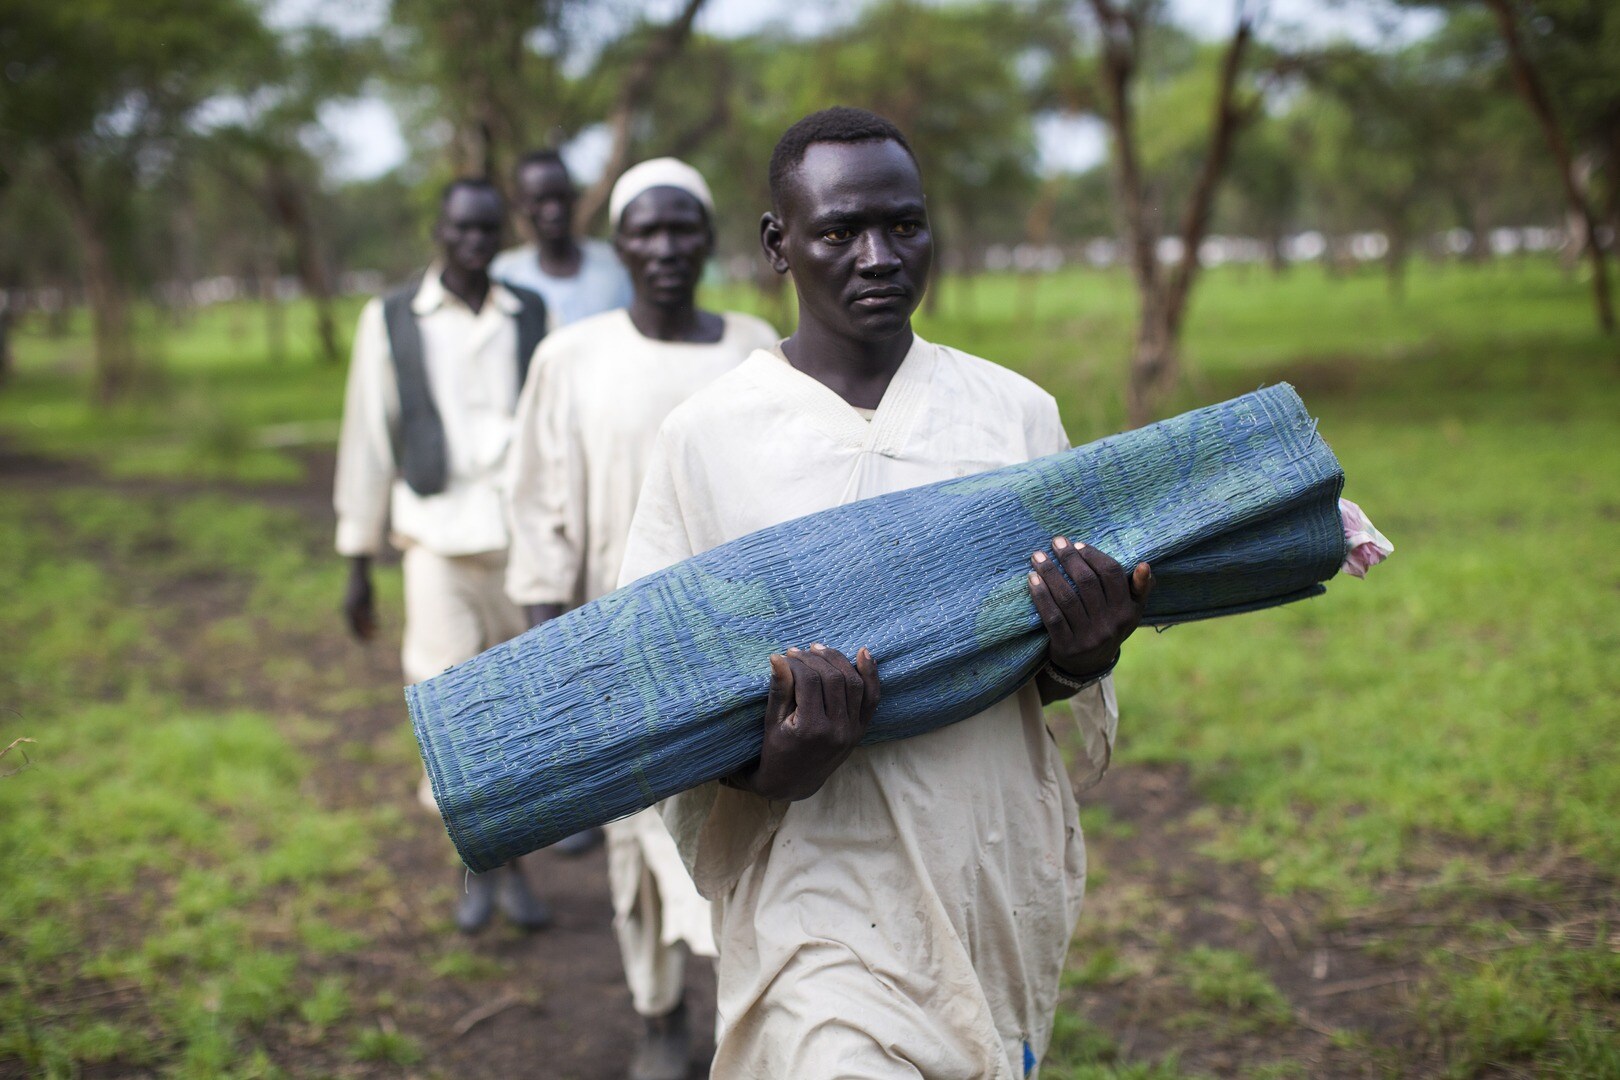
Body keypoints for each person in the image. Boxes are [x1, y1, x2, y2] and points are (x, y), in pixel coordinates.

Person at [616, 108, 1153, 1079]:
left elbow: (1054, 675)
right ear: (778, 244)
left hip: (986, 857)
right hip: (814, 869)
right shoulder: (708, 438)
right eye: (838, 232)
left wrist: (1087, 647)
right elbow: (657, 704)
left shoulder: (1011, 414)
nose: (878, 256)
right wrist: (774, 765)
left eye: (903, 226)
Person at [504, 158, 778, 1080]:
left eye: (683, 229)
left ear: (710, 237)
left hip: (738, 640)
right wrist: (552, 644)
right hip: (615, 645)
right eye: (645, 232)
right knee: (636, 844)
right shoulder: (570, 358)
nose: (665, 249)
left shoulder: (754, 345)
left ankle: (751, 1013)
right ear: (617, 245)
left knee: (746, 829)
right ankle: (659, 1014)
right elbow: (539, 503)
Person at [333, 177, 553, 937]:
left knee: (522, 712)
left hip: (519, 542)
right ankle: (483, 864)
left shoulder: (529, 314)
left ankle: (515, 853)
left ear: (502, 232)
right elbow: (367, 435)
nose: (474, 242)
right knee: (451, 711)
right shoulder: (391, 317)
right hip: (432, 538)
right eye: (461, 228)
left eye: (488, 228)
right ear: (440, 229)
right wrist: (357, 558)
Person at [491, 149, 634, 329]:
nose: (553, 211)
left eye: (560, 197)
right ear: (522, 204)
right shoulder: (505, 273)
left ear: (573, 197)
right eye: (540, 200)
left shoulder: (616, 266)